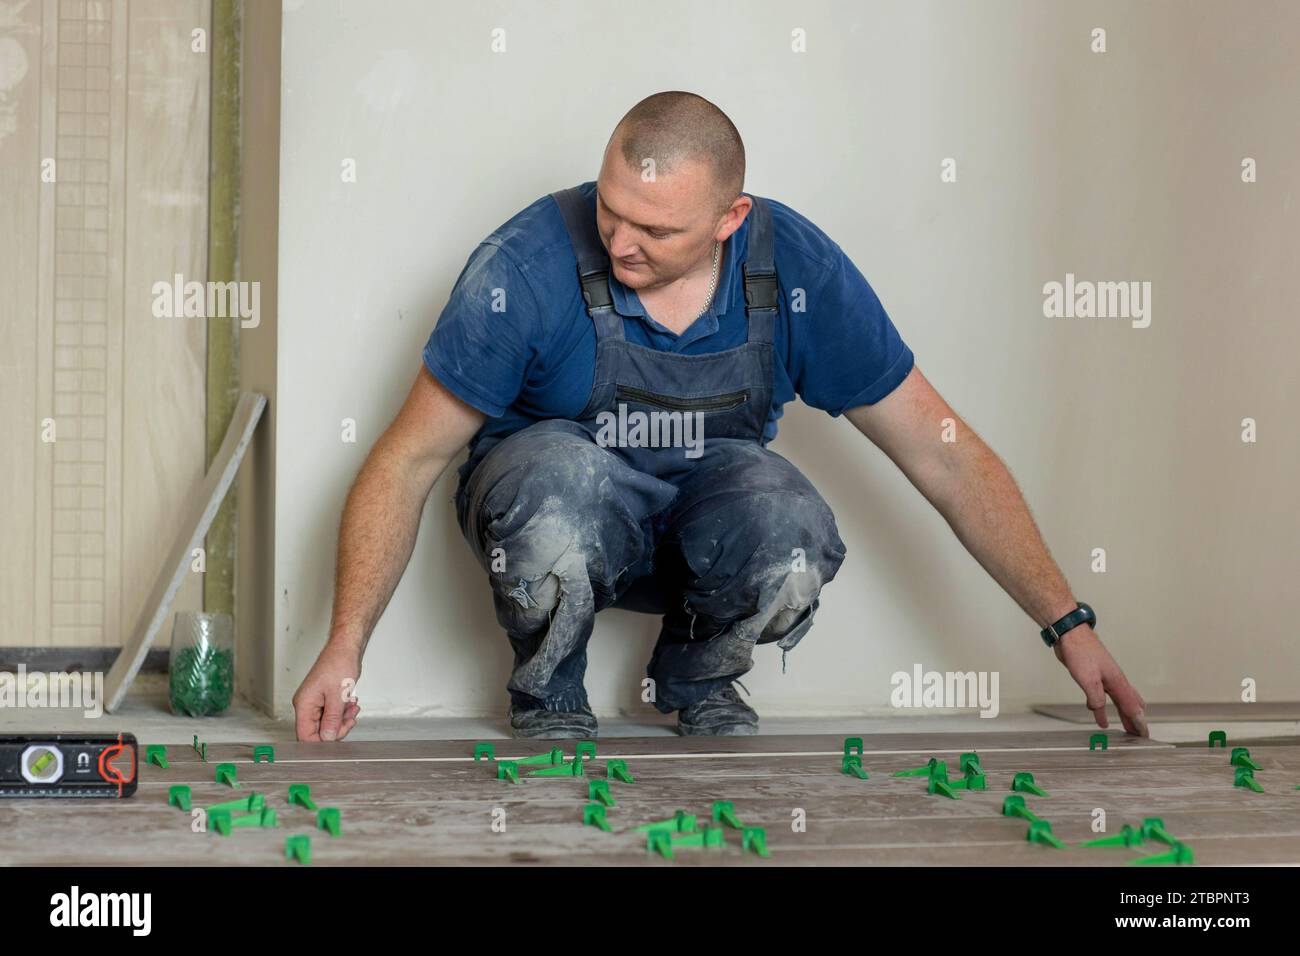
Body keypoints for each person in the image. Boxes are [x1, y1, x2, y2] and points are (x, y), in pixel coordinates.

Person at [293, 91, 1148, 742]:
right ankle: (547, 687)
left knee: (792, 524)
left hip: (699, 533)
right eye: (609, 211)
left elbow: (943, 454)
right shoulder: (525, 264)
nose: (621, 243)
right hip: (556, 523)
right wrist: (344, 649)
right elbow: (405, 461)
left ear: (729, 219)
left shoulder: (792, 267)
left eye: (654, 231)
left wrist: (1067, 625)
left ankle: (698, 678)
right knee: (561, 482)